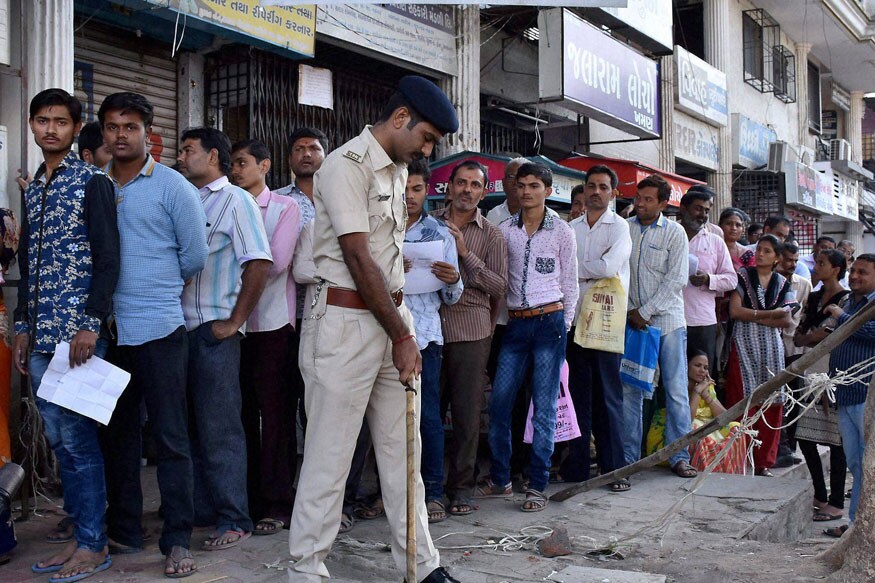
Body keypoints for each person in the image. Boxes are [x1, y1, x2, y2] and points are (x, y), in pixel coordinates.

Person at [287, 75, 461, 583]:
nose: (427, 150)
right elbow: (358, 257)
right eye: (427, 137)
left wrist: (401, 329)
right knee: (330, 455)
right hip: (343, 322)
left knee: (405, 450)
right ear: (402, 118)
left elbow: (386, 263)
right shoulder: (345, 164)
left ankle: (420, 565)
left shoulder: (396, 169)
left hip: (391, 317)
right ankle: (306, 568)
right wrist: (404, 337)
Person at [99, 92, 208, 577]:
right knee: (116, 436)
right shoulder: (94, 186)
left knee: (170, 436)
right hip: (108, 331)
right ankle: (123, 529)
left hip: (160, 327)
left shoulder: (172, 187)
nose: (121, 135)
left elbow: (195, 256)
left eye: (130, 127)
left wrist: (159, 287)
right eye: (112, 126)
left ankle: (177, 537)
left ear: (148, 135)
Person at [14, 88, 119, 581]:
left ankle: (93, 545)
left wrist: (89, 324)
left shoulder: (93, 182)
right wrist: (20, 327)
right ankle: (80, 537)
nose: (50, 128)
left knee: (78, 442)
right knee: (59, 443)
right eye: (41, 120)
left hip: (76, 336)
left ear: (77, 129)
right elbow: (27, 262)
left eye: (60, 121)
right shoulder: (33, 188)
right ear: (32, 126)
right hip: (39, 336)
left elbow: (107, 258)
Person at [177, 127, 272, 550]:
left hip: (215, 331)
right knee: (188, 428)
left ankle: (235, 517)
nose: (181, 156)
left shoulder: (236, 200)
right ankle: (203, 511)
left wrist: (234, 322)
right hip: (179, 331)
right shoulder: (184, 199)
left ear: (212, 156)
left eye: (188, 150)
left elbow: (258, 262)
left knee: (220, 429)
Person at [481, 162, 577, 513]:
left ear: (548, 191)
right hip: (515, 325)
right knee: (500, 403)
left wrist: (563, 327)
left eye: (534, 185)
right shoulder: (504, 229)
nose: (526, 191)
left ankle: (537, 484)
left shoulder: (562, 232)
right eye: (521, 185)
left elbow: (570, 284)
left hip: (549, 322)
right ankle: (501, 478)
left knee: (545, 406)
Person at [230, 139, 301, 535]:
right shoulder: (226, 203)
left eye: (242, 163)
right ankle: (246, 499)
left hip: (272, 324)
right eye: (232, 164)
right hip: (232, 325)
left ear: (264, 165)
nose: (236, 170)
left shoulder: (284, 208)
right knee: (239, 416)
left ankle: (277, 501)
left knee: (275, 417)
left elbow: (274, 264)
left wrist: (231, 272)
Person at [437, 160, 507, 515]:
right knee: (427, 414)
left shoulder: (491, 234)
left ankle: (461, 488)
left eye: (474, 185)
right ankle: (427, 486)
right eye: (461, 183)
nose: (466, 190)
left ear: (484, 191)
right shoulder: (428, 223)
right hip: (428, 328)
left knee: (466, 414)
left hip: (471, 330)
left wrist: (465, 254)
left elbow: (499, 285)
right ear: (448, 187)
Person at [559, 164, 631, 490]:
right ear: (584, 190)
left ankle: (614, 470)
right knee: (578, 397)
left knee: (608, 398)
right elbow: (565, 270)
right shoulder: (571, 227)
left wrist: (578, 270)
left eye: (603, 187)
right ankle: (577, 470)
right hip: (574, 322)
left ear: (613, 193)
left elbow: (609, 267)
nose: (596, 192)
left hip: (605, 324)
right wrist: (586, 270)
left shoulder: (619, 228)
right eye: (592, 186)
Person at [622, 175, 697, 478]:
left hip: (667, 323)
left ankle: (679, 455)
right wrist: (632, 313)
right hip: (633, 324)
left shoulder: (675, 233)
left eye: (648, 199)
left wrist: (646, 311)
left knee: (676, 390)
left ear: (664, 204)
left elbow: (677, 279)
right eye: (639, 197)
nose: (640, 203)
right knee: (631, 390)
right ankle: (628, 459)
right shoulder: (624, 229)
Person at [402, 159, 463, 523]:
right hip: (383, 334)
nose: (409, 196)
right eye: (404, 188)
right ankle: (388, 493)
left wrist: (453, 278)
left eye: (417, 189)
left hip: (425, 337)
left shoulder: (438, 234)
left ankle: (434, 492)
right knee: (383, 421)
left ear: (427, 191)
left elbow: (452, 297)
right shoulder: (379, 228)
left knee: (428, 418)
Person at [725, 235, 795, 476]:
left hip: (771, 348)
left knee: (773, 402)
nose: (761, 254)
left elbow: (786, 319)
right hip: (744, 344)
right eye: (760, 250)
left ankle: (764, 461)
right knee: (743, 399)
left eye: (767, 251)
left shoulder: (783, 282)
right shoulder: (744, 275)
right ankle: (741, 458)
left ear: (776, 257)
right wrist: (768, 315)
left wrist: (754, 313)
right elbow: (735, 311)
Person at [793, 249, 848, 523]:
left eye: (822, 264)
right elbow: (801, 334)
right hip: (809, 368)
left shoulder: (846, 300)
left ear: (836, 268)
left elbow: (832, 334)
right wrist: (812, 337)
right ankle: (820, 493)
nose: (817, 268)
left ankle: (836, 501)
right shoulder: (814, 297)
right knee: (805, 436)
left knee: (836, 438)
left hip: (832, 370)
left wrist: (812, 337)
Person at [822, 254, 875, 537]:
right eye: (853, 271)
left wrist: (842, 318)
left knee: (868, 463)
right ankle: (856, 526)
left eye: (862, 272)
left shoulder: (863, 306)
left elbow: (870, 333)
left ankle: (862, 526)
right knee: (857, 463)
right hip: (845, 394)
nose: (854, 276)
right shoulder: (851, 302)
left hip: (866, 396)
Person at [678, 186, 737, 380]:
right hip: (670, 319)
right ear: (683, 208)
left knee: (703, 378)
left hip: (702, 321)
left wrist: (708, 279)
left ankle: (701, 412)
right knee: (671, 377)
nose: (702, 215)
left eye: (706, 211)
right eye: (698, 209)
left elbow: (731, 279)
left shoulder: (715, 241)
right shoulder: (670, 234)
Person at [774, 242, 812, 468]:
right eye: (788, 260)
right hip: (772, 347)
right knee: (776, 398)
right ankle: (777, 446)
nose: (792, 265)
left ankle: (790, 448)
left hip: (794, 349)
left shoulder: (803, 285)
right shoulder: (768, 282)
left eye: (795, 261)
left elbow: (805, 315)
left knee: (794, 398)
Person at [685, 351, 747, 473]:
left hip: (707, 424)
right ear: (686, 365)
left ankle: (728, 474)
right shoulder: (679, 386)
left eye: (705, 368)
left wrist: (705, 393)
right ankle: (701, 473)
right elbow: (687, 420)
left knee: (737, 428)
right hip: (688, 426)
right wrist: (697, 391)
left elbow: (725, 417)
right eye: (697, 365)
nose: (702, 370)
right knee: (698, 430)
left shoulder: (706, 386)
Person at [486, 156, 529, 224]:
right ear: (503, 182)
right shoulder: (494, 215)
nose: (516, 182)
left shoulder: (545, 217)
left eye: (521, 177)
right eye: (511, 177)